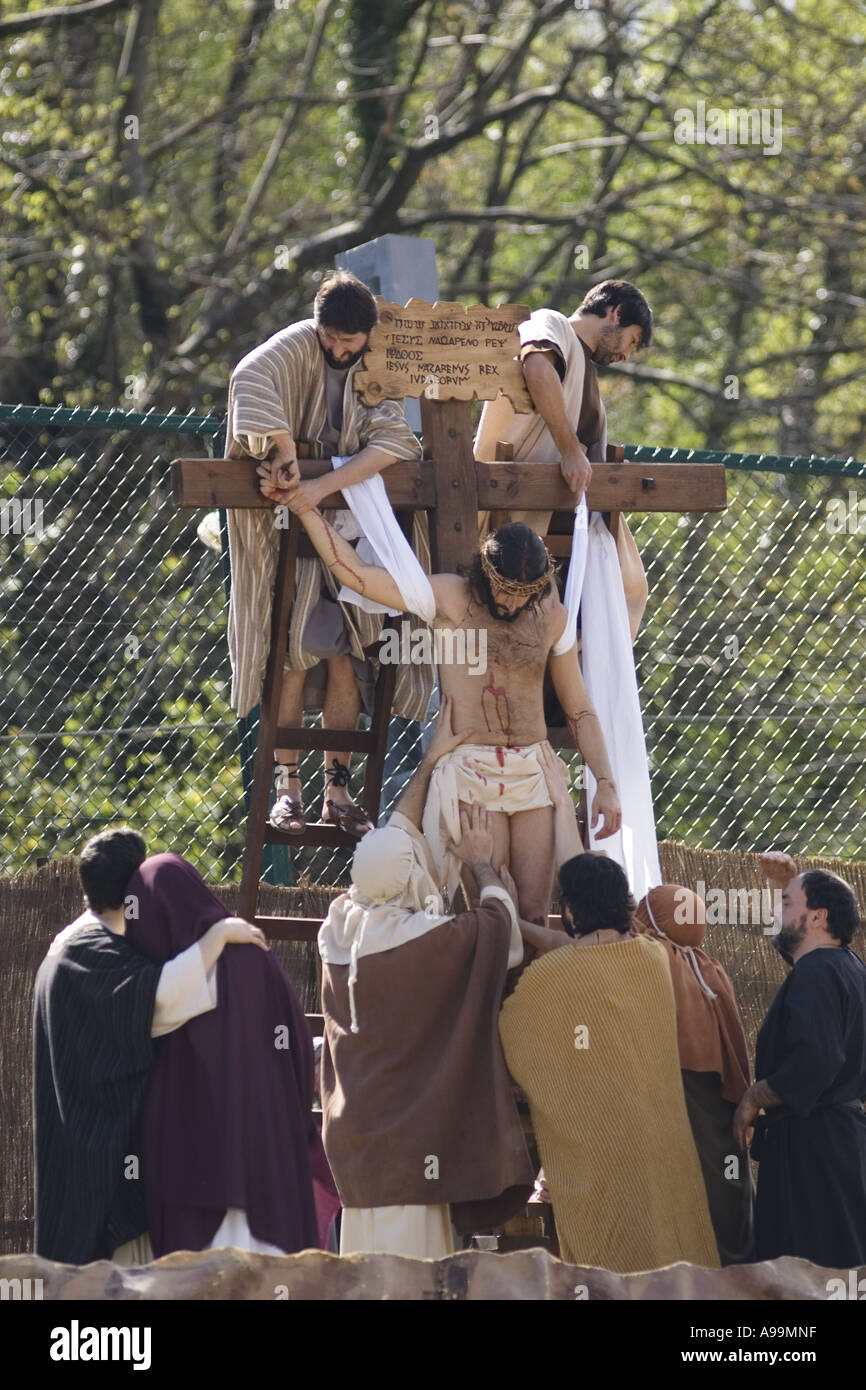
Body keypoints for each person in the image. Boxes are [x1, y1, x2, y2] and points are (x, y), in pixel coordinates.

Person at [279, 479, 622, 925]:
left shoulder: (550, 617)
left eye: (523, 593)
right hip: (472, 765)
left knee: (534, 913)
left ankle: (533, 975)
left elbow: (579, 708)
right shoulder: (451, 598)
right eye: (503, 588)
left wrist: (606, 782)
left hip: (534, 769)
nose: (511, 601)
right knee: (493, 912)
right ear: (485, 571)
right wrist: (304, 506)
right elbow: (359, 575)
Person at [318, 697, 534, 1258]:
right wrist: (481, 862)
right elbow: (499, 931)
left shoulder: (338, 927)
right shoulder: (420, 939)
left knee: (361, 1279)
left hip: (354, 1144)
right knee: (414, 1279)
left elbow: (392, 841)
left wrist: (431, 760)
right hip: (407, 1152)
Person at [226, 269, 433, 838]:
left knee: (349, 653)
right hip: (283, 527)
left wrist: (320, 487)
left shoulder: (378, 359)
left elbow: (395, 441)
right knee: (293, 650)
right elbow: (249, 378)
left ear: (368, 334)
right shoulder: (297, 343)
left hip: (353, 526)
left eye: (350, 341)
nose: (339, 350)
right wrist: (285, 449)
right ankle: (287, 790)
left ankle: (337, 792)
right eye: (331, 338)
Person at [32, 828, 272, 1265]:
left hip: (82, 1151)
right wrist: (215, 939)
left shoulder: (74, 943)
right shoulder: (91, 951)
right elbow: (158, 1001)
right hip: (101, 1168)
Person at [498, 806, 720, 1272]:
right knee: (673, 1256)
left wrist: (502, 909)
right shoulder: (652, 958)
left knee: (611, 1264)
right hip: (663, 1153)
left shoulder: (547, 979)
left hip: (600, 1158)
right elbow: (590, 953)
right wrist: (526, 927)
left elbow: (515, 1040)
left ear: (569, 910)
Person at [122, 852, 335, 1260]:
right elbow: (295, 1044)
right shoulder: (253, 953)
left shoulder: (172, 980)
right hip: (269, 1163)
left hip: (198, 1178)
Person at [474, 278, 653, 641]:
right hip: (512, 529)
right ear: (615, 313)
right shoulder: (552, 323)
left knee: (626, 594)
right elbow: (538, 369)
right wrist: (571, 451)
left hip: (559, 539)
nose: (626, 355)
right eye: (631, 340)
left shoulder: (585, 369)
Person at [733, 852, 866, 1269]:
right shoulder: (846, 966)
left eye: (787, 903)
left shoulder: (818, 973)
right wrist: (784, 886)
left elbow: (817, 1061)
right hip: (838, 1145)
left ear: (817, 917)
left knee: (805, 1277)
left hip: (811, 1155)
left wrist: (755, 1097)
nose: (776, 911)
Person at [632, 885, 755, 1265]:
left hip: (680, 1094)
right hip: (719, 1101)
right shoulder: (709, 968)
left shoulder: (650, 957)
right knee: (725, 1187)